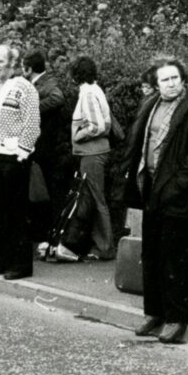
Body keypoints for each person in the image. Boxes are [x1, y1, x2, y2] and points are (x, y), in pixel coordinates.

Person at [124, 59, 188, 345]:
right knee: (151, 252)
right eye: (165, 80)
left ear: (183, 79)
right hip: (150, 186)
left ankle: (177, 317)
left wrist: (177, 186)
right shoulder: (152, 104)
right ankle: (155, 312)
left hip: (176, 192)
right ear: (157, 84)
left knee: (173, 255)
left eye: (175, 78)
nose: (172, 84)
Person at [0, 44, 41, 280]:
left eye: (0, 61)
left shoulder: (25, 88)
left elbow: (32, 123)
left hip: (15, 157)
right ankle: (0, 260)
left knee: (17, 212)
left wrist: (22, 153)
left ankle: (20, 265)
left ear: (12, 63)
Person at [59, 55, 116, 262]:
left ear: (75, 75)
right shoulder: (95, 90)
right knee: (94, 198)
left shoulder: (88, 93)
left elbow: (96, 126)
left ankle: (105, 248)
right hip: (96, 152)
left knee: (97, 199)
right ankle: (98, 245)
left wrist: (78, 135)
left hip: (92, 153)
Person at [23, 48, 69, 248]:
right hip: (38, 145)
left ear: (29, 68)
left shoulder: (47, 82)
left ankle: (44, 234)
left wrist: (33, 109)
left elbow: (58, 98)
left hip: (46, 147)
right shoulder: (37, 82)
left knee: (43, 191)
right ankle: (38, 232)